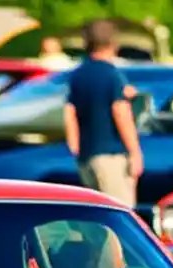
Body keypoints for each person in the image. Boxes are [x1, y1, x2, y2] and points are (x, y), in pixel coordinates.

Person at [63, 19, 144, 206]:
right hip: (111, 155)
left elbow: (70, 113)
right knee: (119, 214)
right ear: (113, 43)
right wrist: (135, 152)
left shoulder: (78, 75)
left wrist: (76, 149)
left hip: (86, 156)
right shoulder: (112, 75)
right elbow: (120, 112)